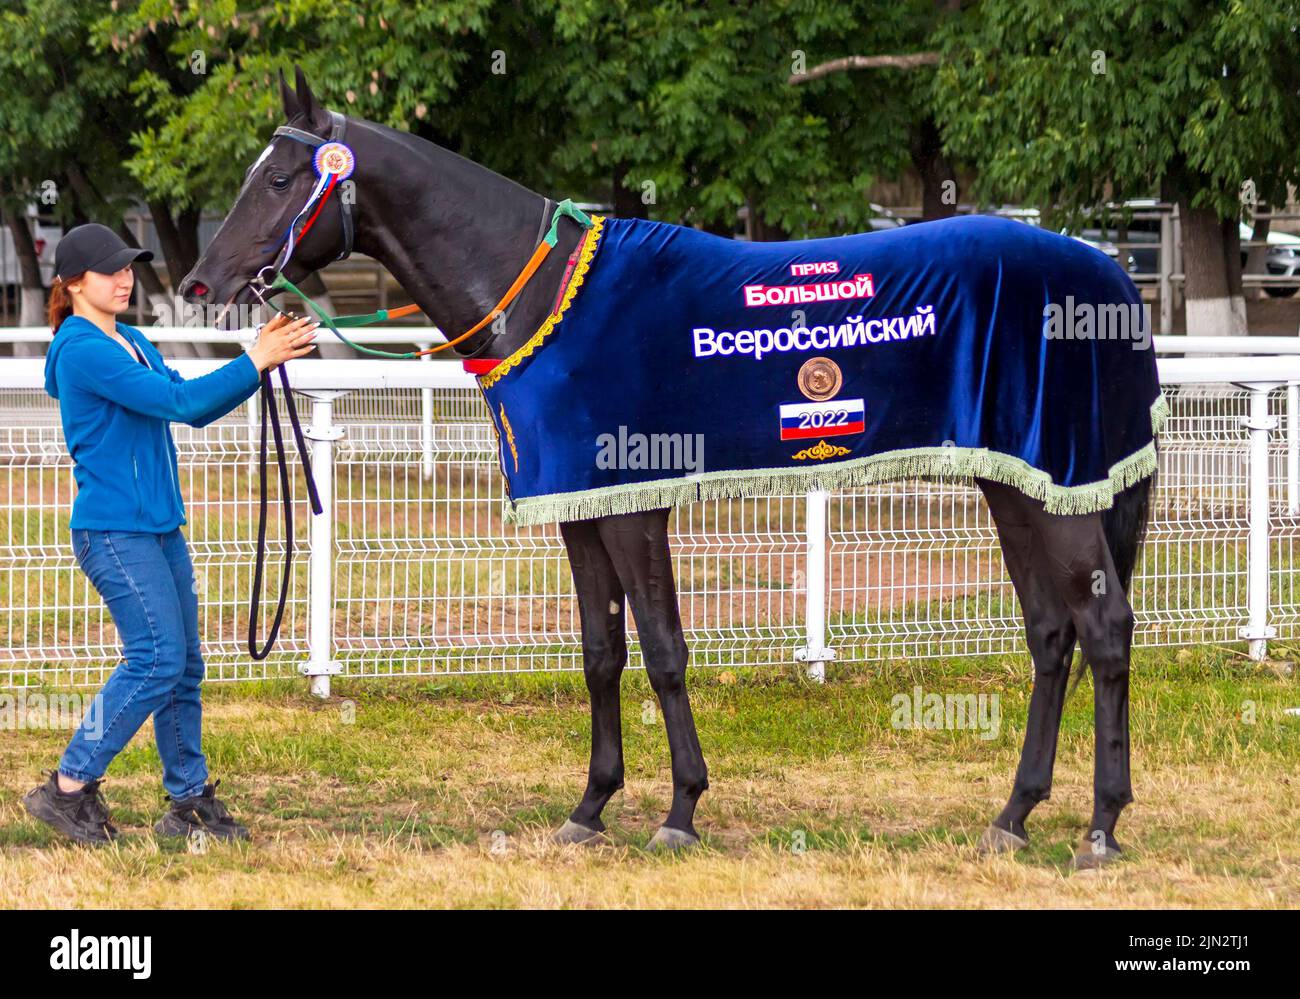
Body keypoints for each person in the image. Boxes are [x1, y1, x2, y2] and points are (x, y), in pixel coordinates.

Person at [23, 222, 318, 845]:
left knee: (182, 665)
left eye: (129, 266)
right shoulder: (81, 348)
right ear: (74, 284)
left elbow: (190, 403)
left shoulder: (130, 339)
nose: (125, 277)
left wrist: (258, 364)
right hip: (113, 531)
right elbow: (180, 406)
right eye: (111, 269)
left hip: (157, 529)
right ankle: (68, 787)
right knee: (155, 660)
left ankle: (187, 803)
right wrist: (253, 361)